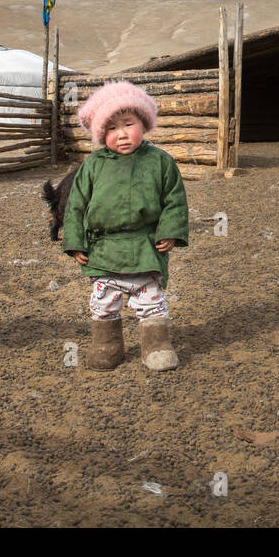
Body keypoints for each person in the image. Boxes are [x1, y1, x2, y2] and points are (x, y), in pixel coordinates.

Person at [61, 81, 189, 372]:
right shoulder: (92, 165)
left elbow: (174, 199)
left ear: (143, 123)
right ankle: (107, 345)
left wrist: (170, 231)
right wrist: (76, 242)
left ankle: (156, 344)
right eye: (111, 128)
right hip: (103, 248)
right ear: (100, 134)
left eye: (128, 124)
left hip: (145, 246)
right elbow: (76, 205)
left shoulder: (160, 162)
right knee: (104, 301)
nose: (121, 134)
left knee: (151, 300)